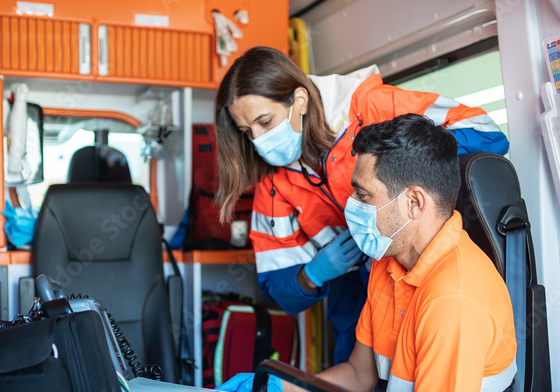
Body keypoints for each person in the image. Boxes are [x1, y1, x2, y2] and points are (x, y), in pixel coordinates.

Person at [216, 114, 519, 392]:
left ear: (414, 203)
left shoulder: (454, 296)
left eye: (362, 194)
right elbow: (360, 376)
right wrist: (274, 391)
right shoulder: (387, 262)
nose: (351, 207)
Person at [214, 46, 508, 365]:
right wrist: (313, 273)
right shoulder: (273, 186)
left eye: (265, 121)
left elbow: (486, 134)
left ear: (300, 100)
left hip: (419, 270)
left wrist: (402, 166)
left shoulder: (369, 106)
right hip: (354, 297)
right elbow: (277, 288)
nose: (258, 140)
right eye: (247, 132)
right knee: (357, 379)